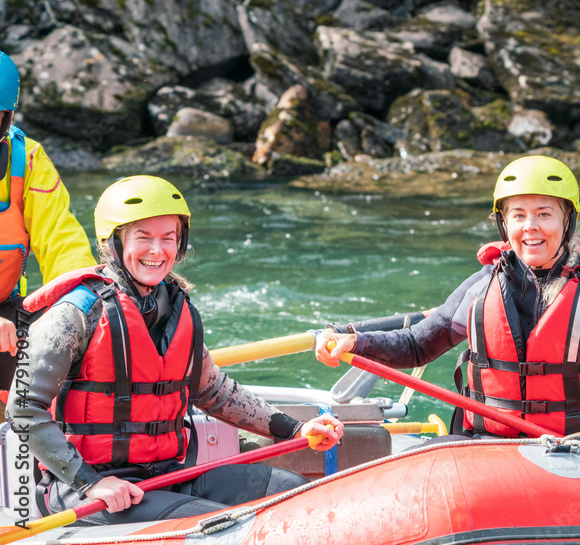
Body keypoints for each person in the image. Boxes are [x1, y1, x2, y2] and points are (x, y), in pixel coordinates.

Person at [8, 175, 343, 525]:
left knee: (293, 490)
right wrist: (91, 483)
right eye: (144, 238)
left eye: (168, 238)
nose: (158, 251)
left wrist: (293, 429)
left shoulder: (177, 307)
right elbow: (22, 410)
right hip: (85, 489)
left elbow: (212, 389)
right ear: (113, 244)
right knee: (226, 524)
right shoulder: (74, 314)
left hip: (168, 475)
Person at [315, 156, 580, 437]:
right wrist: (356, 342)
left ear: (566, 221)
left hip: (577, 452)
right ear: (504, 223)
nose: (531, 228)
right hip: (486, 447)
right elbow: (417, 346)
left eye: (545, 214)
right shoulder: (481, 286)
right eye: (519, 215)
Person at [0, 50, 96, 392]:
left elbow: (63, 243)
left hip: (7, 311)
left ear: (7, 117)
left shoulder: (27, 160)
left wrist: (82, 306)